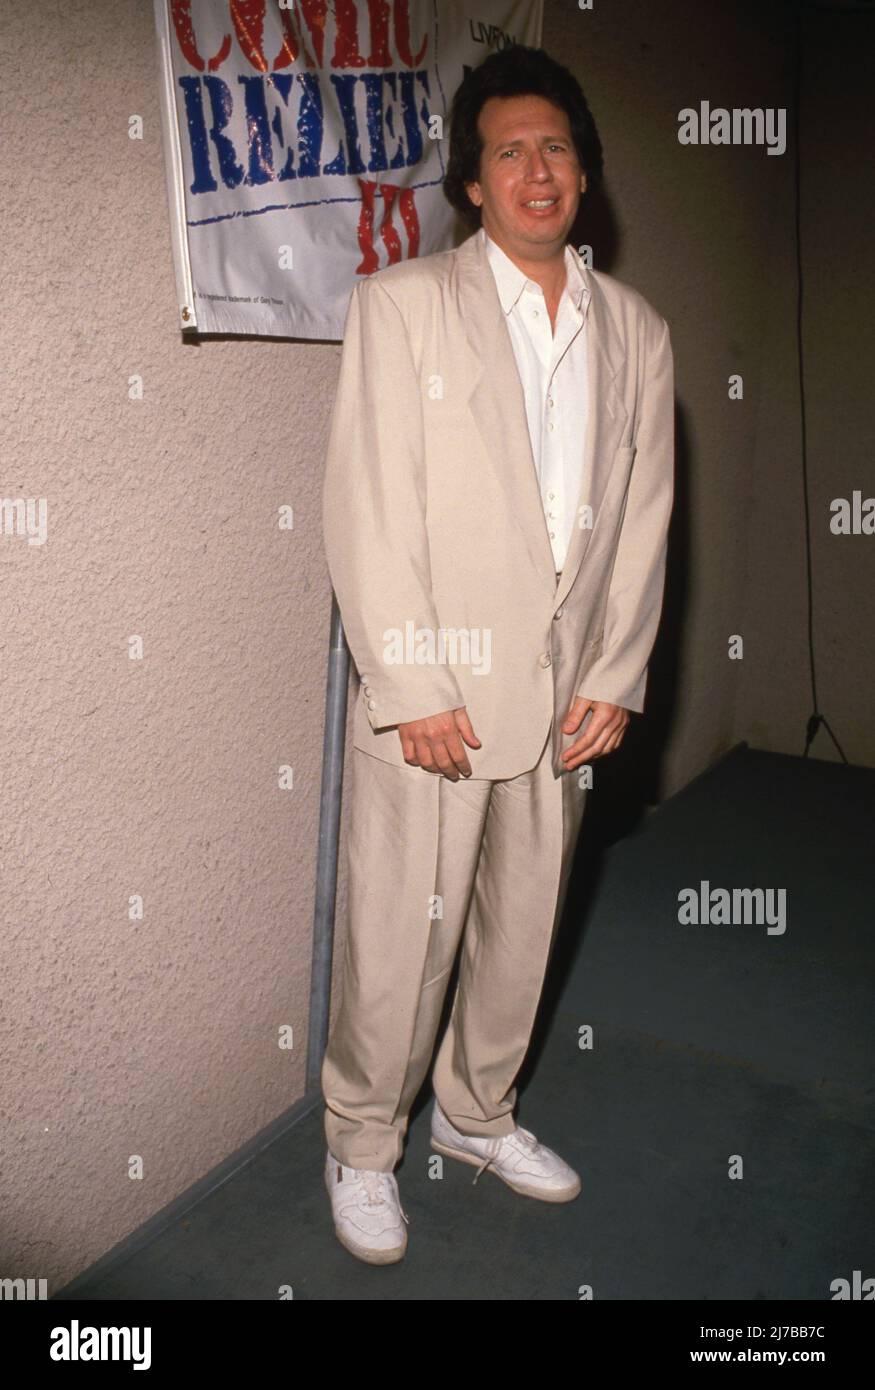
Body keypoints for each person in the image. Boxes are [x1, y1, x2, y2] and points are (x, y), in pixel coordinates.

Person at [320, 44, 675, 1265]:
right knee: (400, 941)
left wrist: (614, 676)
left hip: (561, 703)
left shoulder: (635, 332)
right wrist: (408, 680)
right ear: (472, 183)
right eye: (509, 150)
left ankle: (476, 1117)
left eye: (557, 148)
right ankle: (363, 1141)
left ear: (585, 172)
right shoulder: (401, 304)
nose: (537, 169)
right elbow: (366, 505)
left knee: (523, 929)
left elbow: (641, 520)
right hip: (440, 698)